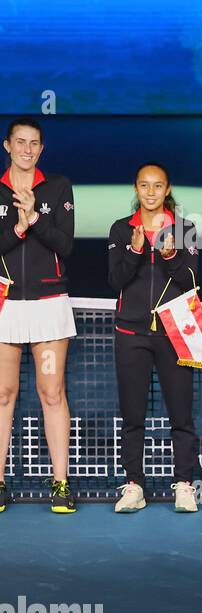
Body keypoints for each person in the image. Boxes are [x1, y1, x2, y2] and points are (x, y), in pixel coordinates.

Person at [107, 162, 202, 513]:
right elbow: (115, 281)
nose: (150, 192)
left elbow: (190, 279)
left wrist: (171, 255)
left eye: (157, 186)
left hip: (174, 332)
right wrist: (133, 253)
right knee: (133, 415)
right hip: (131, 333)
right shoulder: (121, 230)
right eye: (144, 186)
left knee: (181, 415)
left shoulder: (185, 230)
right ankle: (134, 485)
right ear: (136, 188)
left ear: (167, 189)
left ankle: (184, 484)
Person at [0, 116, 77, 514]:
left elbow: (65, 245)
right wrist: (17, 227)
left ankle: (61, 485)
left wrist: (36, 218)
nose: (27, 149)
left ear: (41, 149)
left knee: (51, 393)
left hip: (49, 304)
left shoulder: (58, 187)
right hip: (5, 304)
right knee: (3, 395)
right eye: (20, 142)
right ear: (7, 146)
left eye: (34, 143)